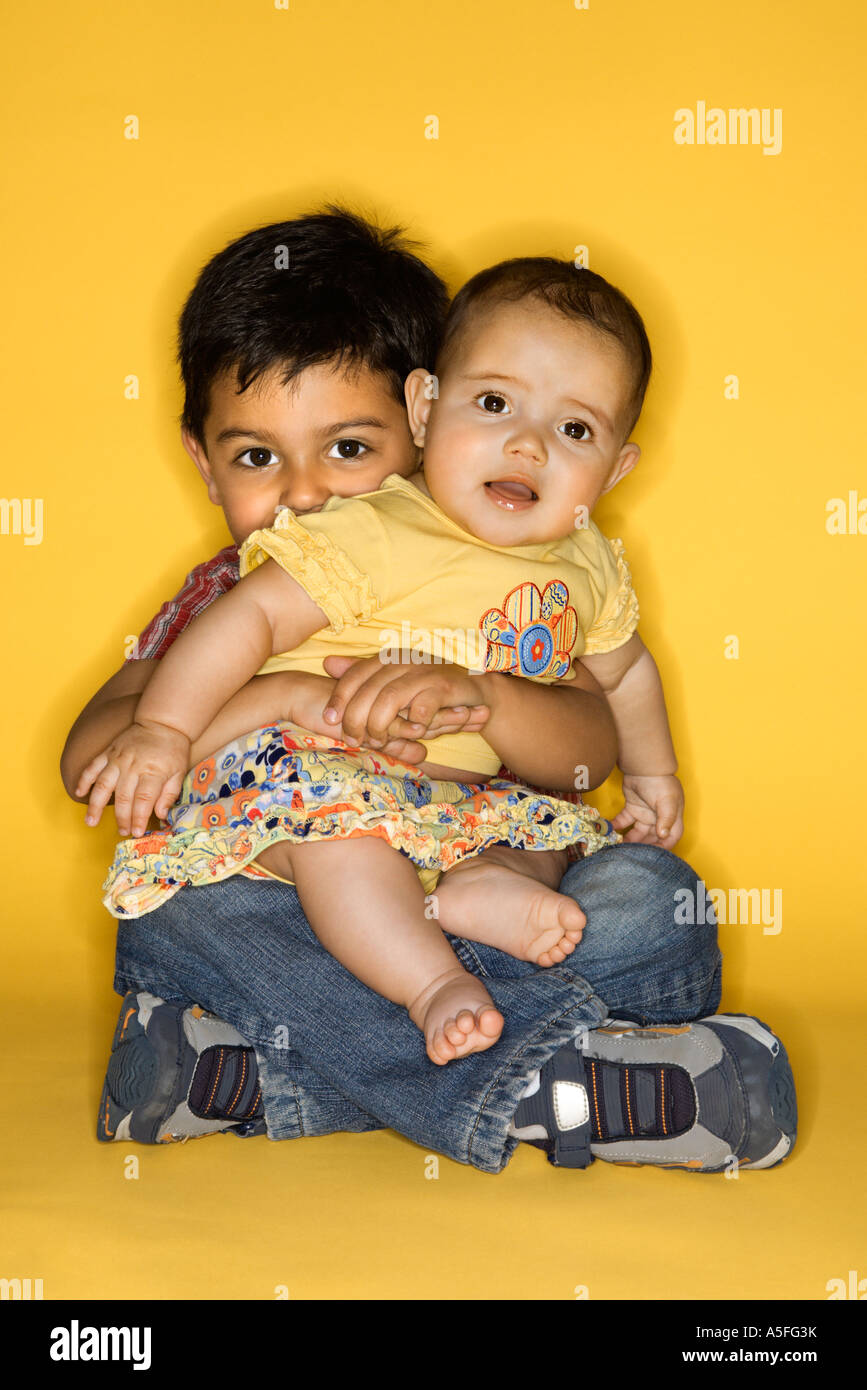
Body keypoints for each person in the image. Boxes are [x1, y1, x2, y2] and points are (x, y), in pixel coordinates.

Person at [60, 208, 796, 1170]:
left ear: (416, 426)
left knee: (652, 901)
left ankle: (245, 1071)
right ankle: (556, 1084)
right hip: (288, 890)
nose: (306, 498)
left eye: (348, 449)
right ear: (203, 462)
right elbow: (94, 761)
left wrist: (482, 699)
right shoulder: (230, 593)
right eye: (255, 457)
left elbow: (586, 754)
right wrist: (282, 705)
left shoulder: (507, 567)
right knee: (185, 913)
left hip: (468, 870)